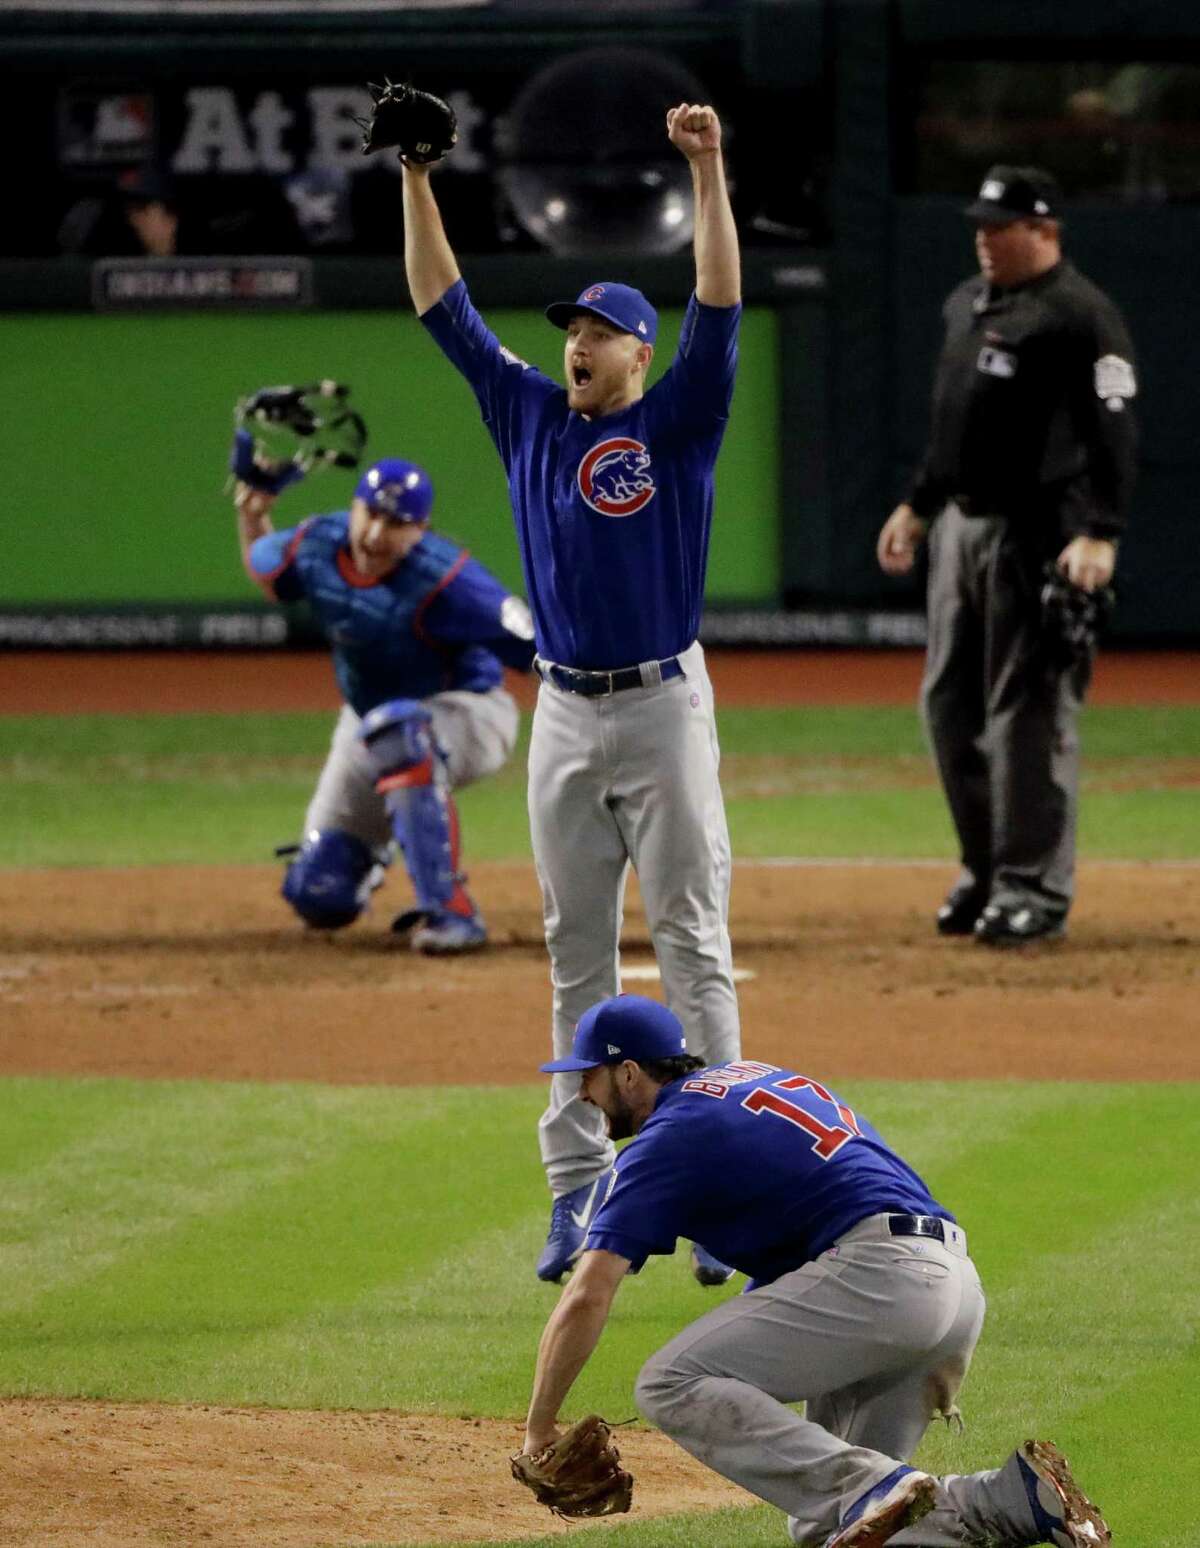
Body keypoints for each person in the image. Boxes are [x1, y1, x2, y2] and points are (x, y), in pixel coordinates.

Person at [400, 103, 743, 1279]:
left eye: (600, 331)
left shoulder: (680, 421)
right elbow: (443, 306)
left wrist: (706, 167)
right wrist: (415, 174)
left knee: (694, 944)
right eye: (572, 331)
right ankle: (574, 1190)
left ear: (639, 354)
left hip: (662, 707)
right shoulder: (529, 416)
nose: (577, 345)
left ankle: (721, 1186)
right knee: (575, 955)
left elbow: (718, 298)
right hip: (561, 712)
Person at [516, 993, 1113, 1548]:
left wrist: (539, 1433)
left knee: (668, 1381)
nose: (580, 1093)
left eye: (587, 1075)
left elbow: (588, 1293)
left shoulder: (667, 1137)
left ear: (628, 1073)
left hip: (882, 1280)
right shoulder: (751, 1079)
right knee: (832, 1523)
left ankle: (881, 1487)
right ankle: (1012, 1501)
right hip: (948, 1284)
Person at [877, 165, 1138, 946]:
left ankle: (1033, 887)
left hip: (1038, 531)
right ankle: (987, 870)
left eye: (1001, 226)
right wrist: (919, 504)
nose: (985, 239)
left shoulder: (1081, 315)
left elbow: (1114, 426)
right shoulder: (968, 302)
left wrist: (1100, 530)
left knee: (1027, 714)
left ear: (1045, 230)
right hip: (961, 526)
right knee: (949, 708)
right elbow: (953, 420)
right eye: (981, 226)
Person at [231, 440, 536, 953]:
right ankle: (379, 849)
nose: (375, 533)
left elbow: (541, 650)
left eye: (395, 523)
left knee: (399, 730)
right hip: (367, 721)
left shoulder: (449, 581)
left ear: (421, 530)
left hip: (471, 713)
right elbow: (268, 576)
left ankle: (452, 913)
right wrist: (254, 513)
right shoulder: (317, 544)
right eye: (370, 513)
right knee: (318, 894)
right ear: (353, 507)